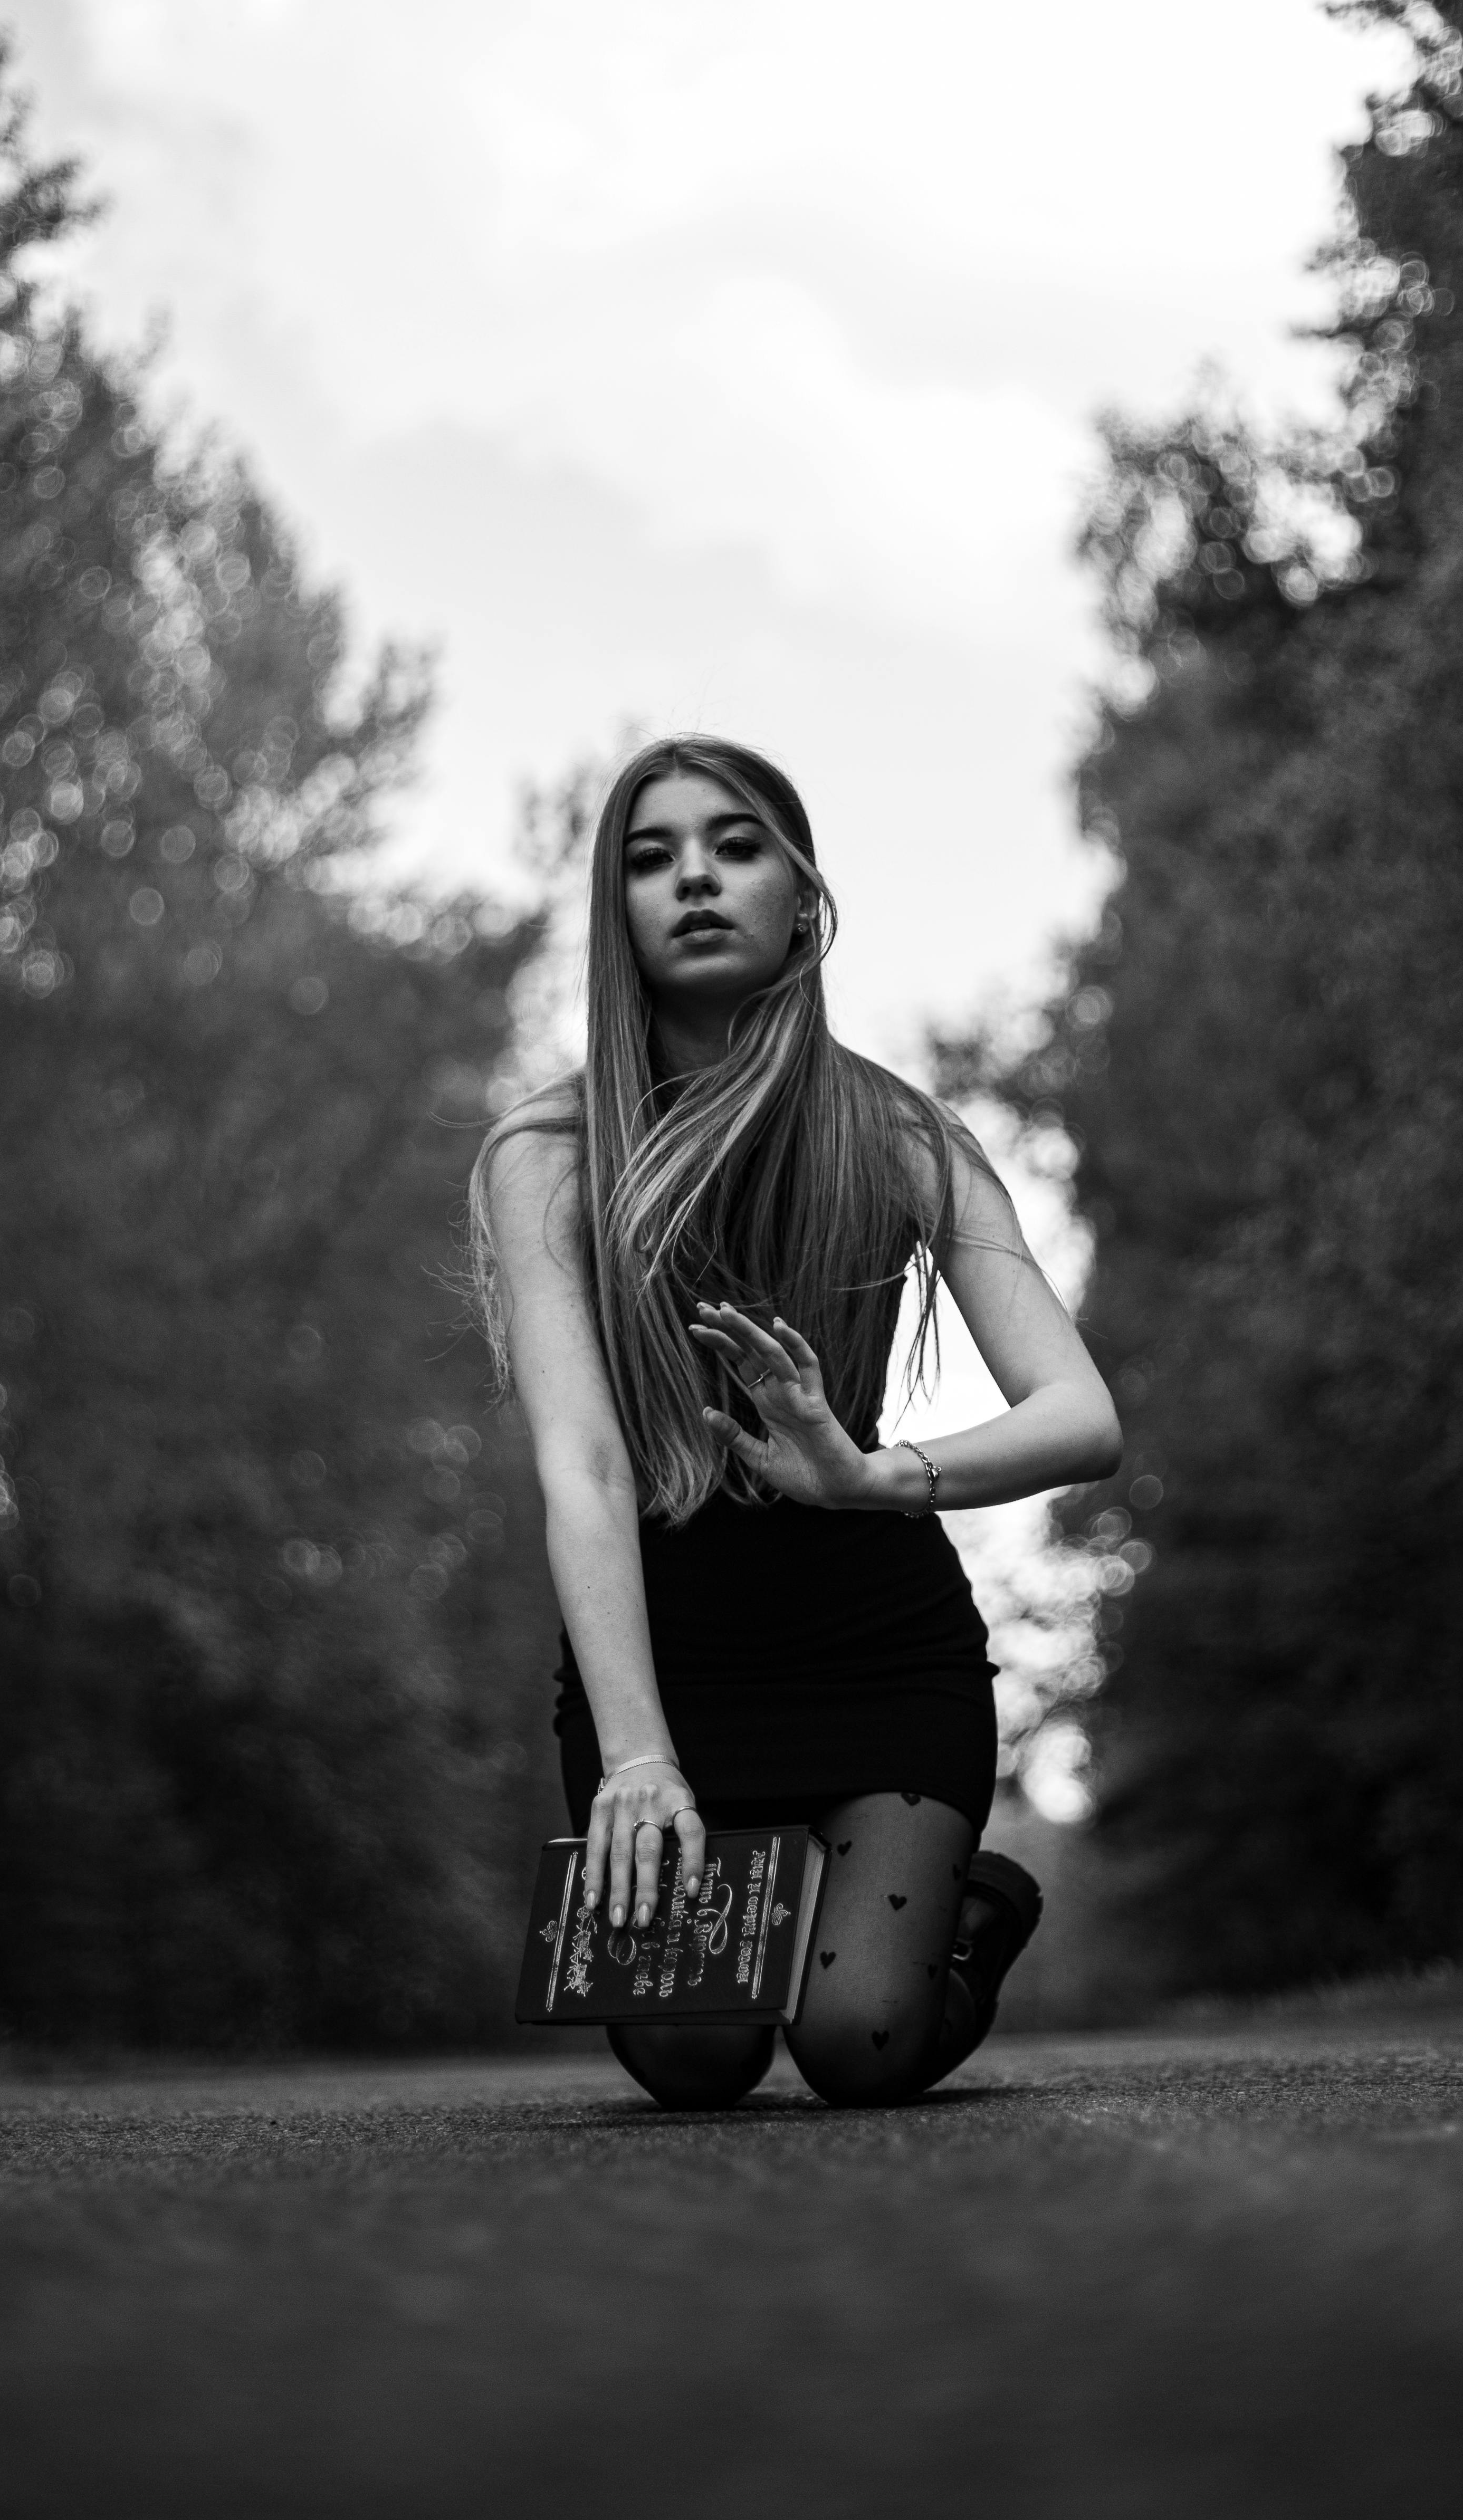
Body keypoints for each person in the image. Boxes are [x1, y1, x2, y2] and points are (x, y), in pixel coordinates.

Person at [470, 735, 1121, 2109]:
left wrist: (875, 1474)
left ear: (804, 901)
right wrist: (638, 1757)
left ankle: (975, 1907)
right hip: (670, 1672)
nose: (693, 877)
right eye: (650, 858)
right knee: (696, 2059)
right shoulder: (546, 1159)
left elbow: (1081, 1415)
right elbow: (583, 1465)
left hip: (881, 1658)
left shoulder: (902, 1137)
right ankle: (737, 1871)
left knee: (858, 2043)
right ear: (618, 915)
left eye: (735, 844)